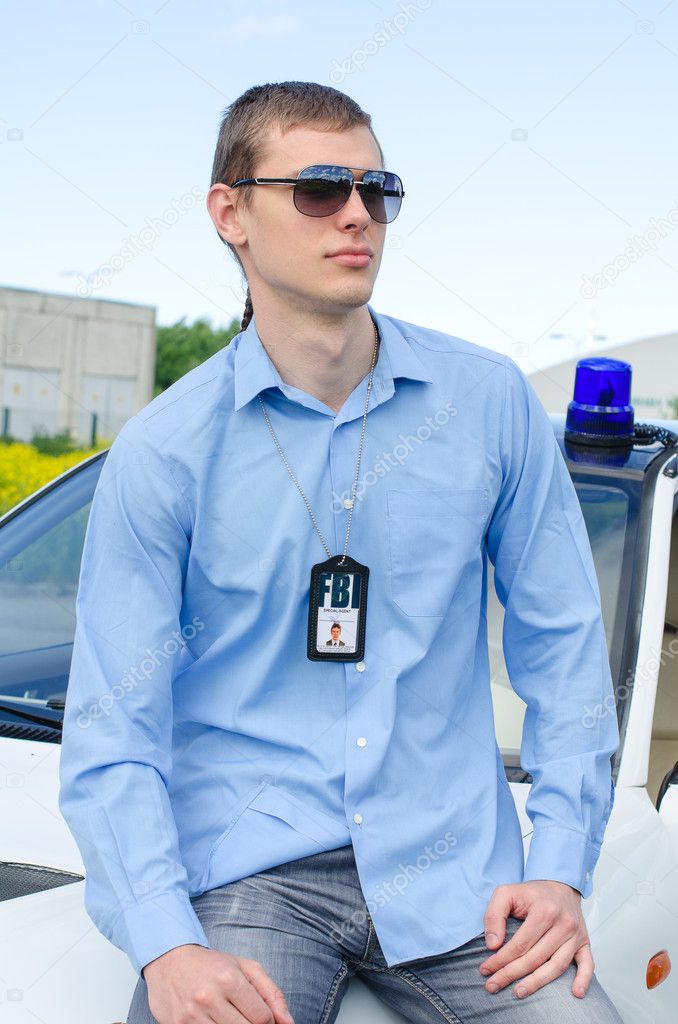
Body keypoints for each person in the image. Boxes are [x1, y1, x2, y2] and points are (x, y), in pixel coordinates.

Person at [58, 80, 623, 1024]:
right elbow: (113, 730)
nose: (357, 213)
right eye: (319, 189)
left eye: (376, 187)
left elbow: (565, 656)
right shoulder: (164, 453)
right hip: (253, 883)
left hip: (459, 880)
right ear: (230, 213)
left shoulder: (487, 404)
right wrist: (165, 940)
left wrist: (560, 868)